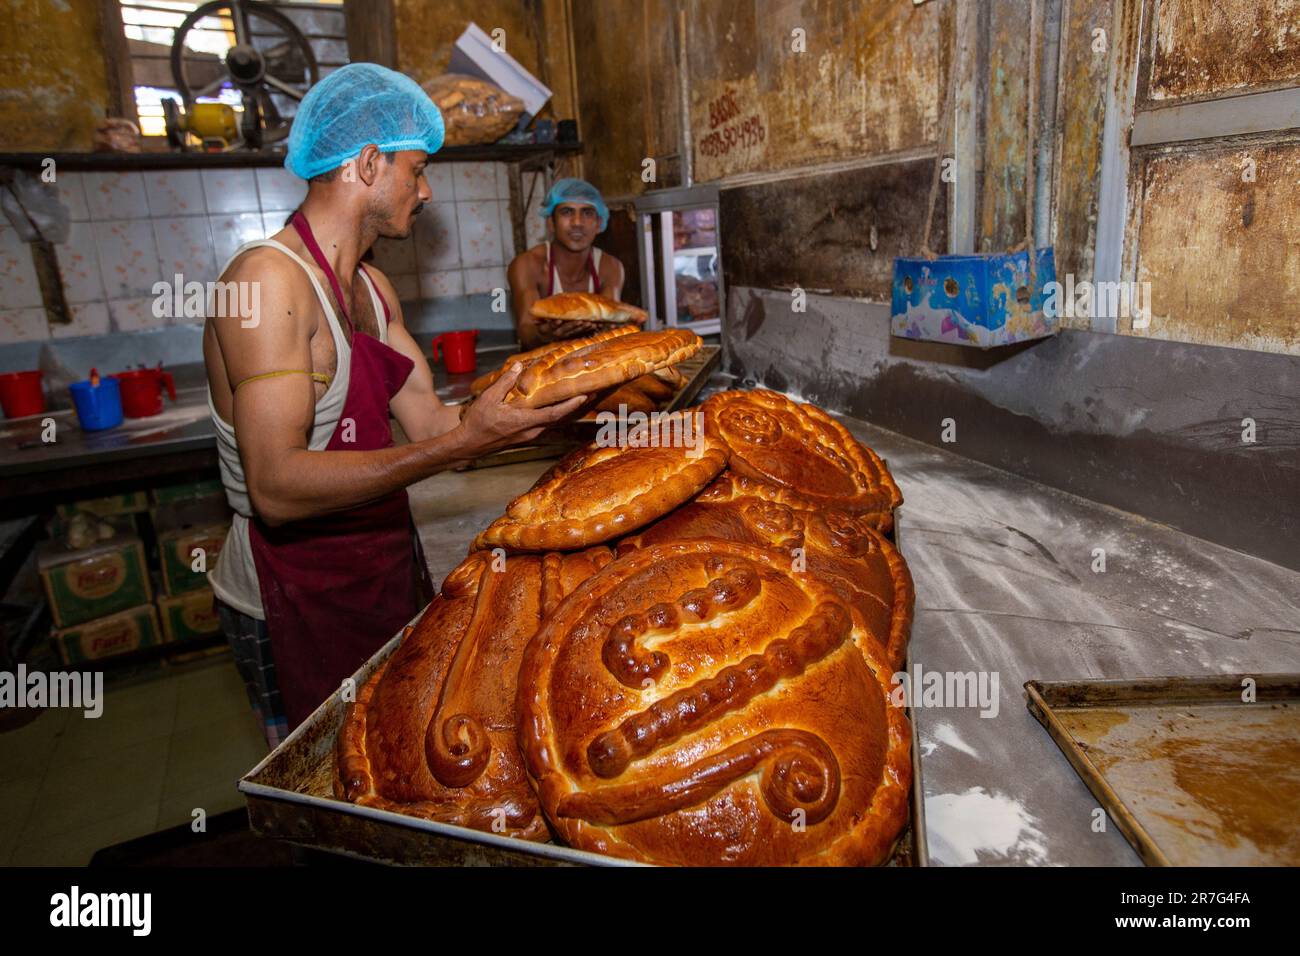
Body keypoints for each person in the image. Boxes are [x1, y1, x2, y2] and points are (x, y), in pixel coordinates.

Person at [202, 64, 586, 744]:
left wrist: (563, 406)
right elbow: (277, 488)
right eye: (418, 169)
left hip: (376, 566)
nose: (426, 189)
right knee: (319, 778)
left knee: (391, 747)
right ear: (369, 163)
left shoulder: (373, 288)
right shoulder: (266, 282)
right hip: (288, 590)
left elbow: (435, 422)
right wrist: (463, 444)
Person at [506, 178, 628, 349]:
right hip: (541, 368)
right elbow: (526, 329)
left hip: (591, 364)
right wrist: (544, 334)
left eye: (587, 213)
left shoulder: (610, 267)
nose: (577, 223)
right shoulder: (528, 265)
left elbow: (609, 323)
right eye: (567, 212)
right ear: (551, 223)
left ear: (599, 223)